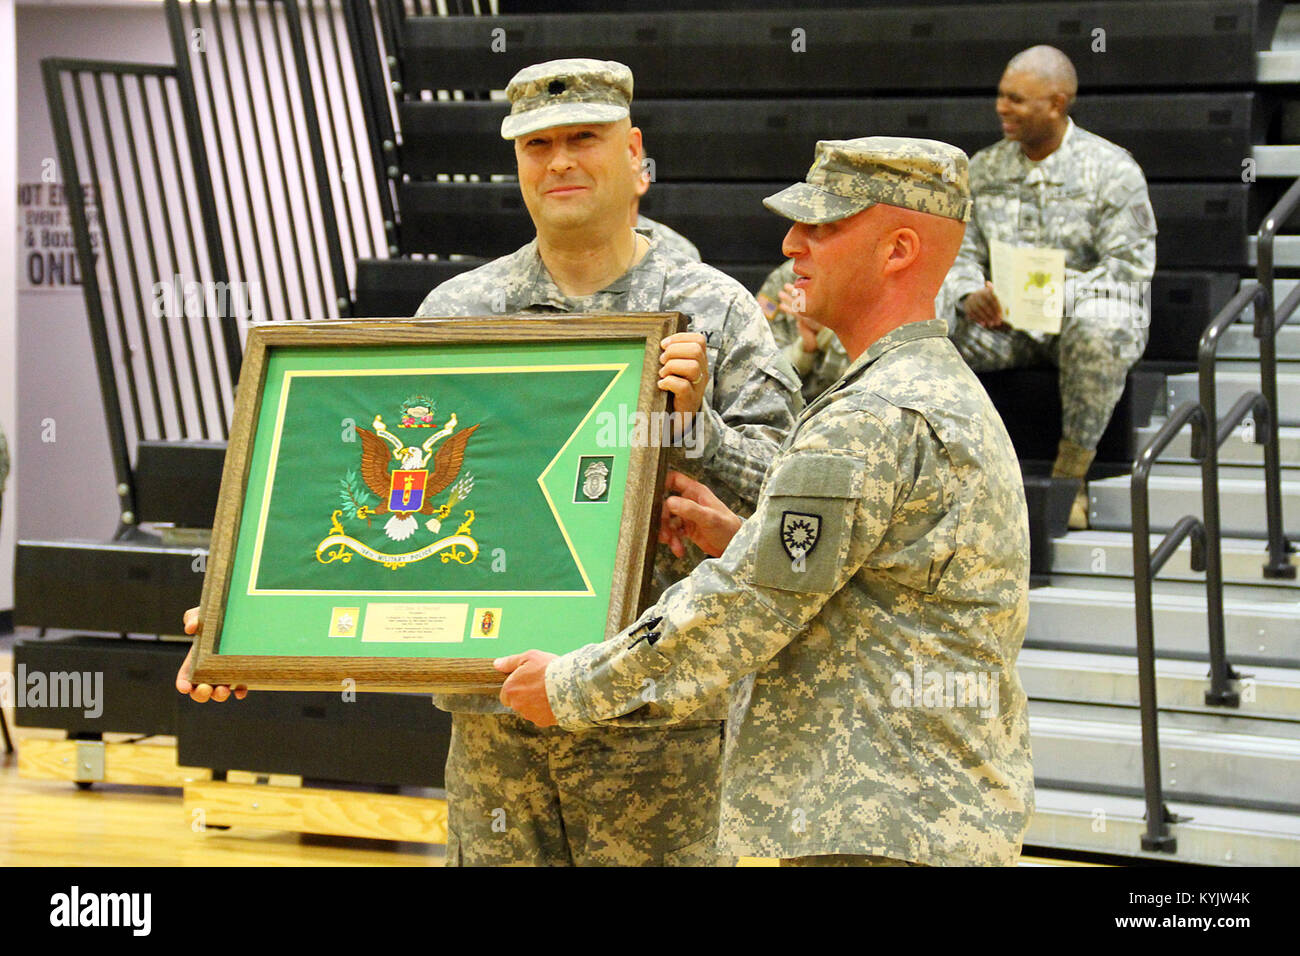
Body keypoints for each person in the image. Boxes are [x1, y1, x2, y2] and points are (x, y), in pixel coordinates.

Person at [179, 58, 801, 867]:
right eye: (538, 145)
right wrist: (242, 626)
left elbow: (793, 511)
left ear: (635, 154)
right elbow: (399, 509)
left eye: (585, 138)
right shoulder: (459, 312)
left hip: (657, 729)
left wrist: (701, 431)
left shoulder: (716, 308)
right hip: (494, 730)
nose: (561, 161)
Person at [497, 136, 1035, 867]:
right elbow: (858, 584)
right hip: (919, 813)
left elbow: (743, 606)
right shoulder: (926, 387)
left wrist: (571, 684)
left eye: (822, 227)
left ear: (900, 249)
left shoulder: (873, 415)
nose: (792, 244)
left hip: (876, 827)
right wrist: (747, 536)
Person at [944, 45, 1157, 528]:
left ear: (1056, 104)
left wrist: (1054, 294)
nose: (1002, 108)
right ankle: (943, 479)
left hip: (1078, 323)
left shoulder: (1111, 171)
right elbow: (958, 251)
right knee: (930, 317)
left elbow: (1129, 271)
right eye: (1001, 96)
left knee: (1103, 325)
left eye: (1016, 100)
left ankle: (1070, 479)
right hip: (1003, 327)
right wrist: (968, 293)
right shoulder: (985, 169)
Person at [757, 260, 956, 404]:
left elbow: (892, 374)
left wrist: (827, 335)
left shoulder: (880, 281)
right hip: (799, 417)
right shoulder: (788, 279)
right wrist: (805, 350)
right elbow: (758, 375)